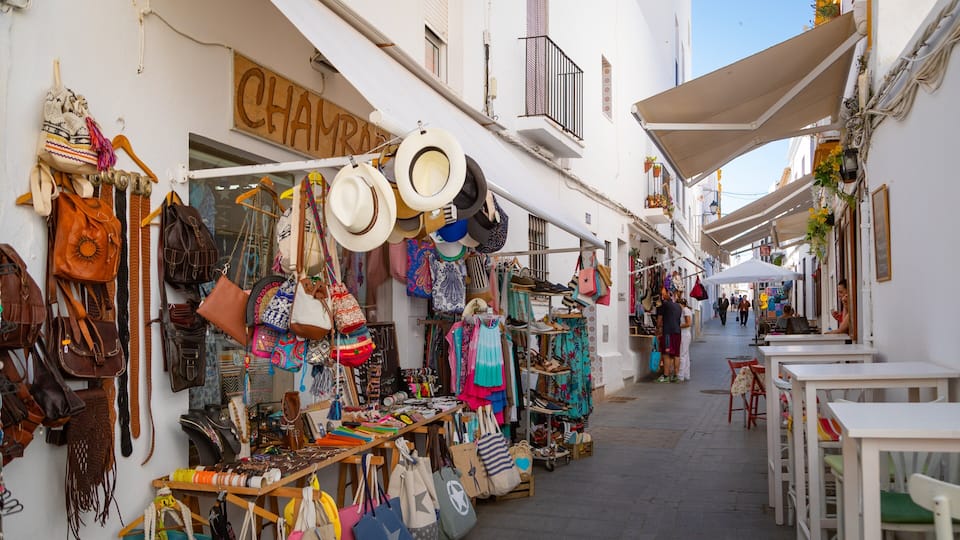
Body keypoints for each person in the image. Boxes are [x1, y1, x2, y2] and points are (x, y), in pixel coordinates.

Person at [656, 291, 683, 383]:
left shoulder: (663, 306)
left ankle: (666, 375)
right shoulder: (678, 306)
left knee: (666, 354)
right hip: (678, 332)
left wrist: (658, 329)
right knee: (676, 354)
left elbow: (659, 321)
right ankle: (676, 376)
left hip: (668, 332)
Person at [678, 298, 693, 381]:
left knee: (682, 355)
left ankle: (681, 375)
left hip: (684, 334)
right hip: (685, 334)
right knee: (685, 355)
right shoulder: (686, 310)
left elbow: (688, 323)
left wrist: (677, 326)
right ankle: (686, 374)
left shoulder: (685, 311)